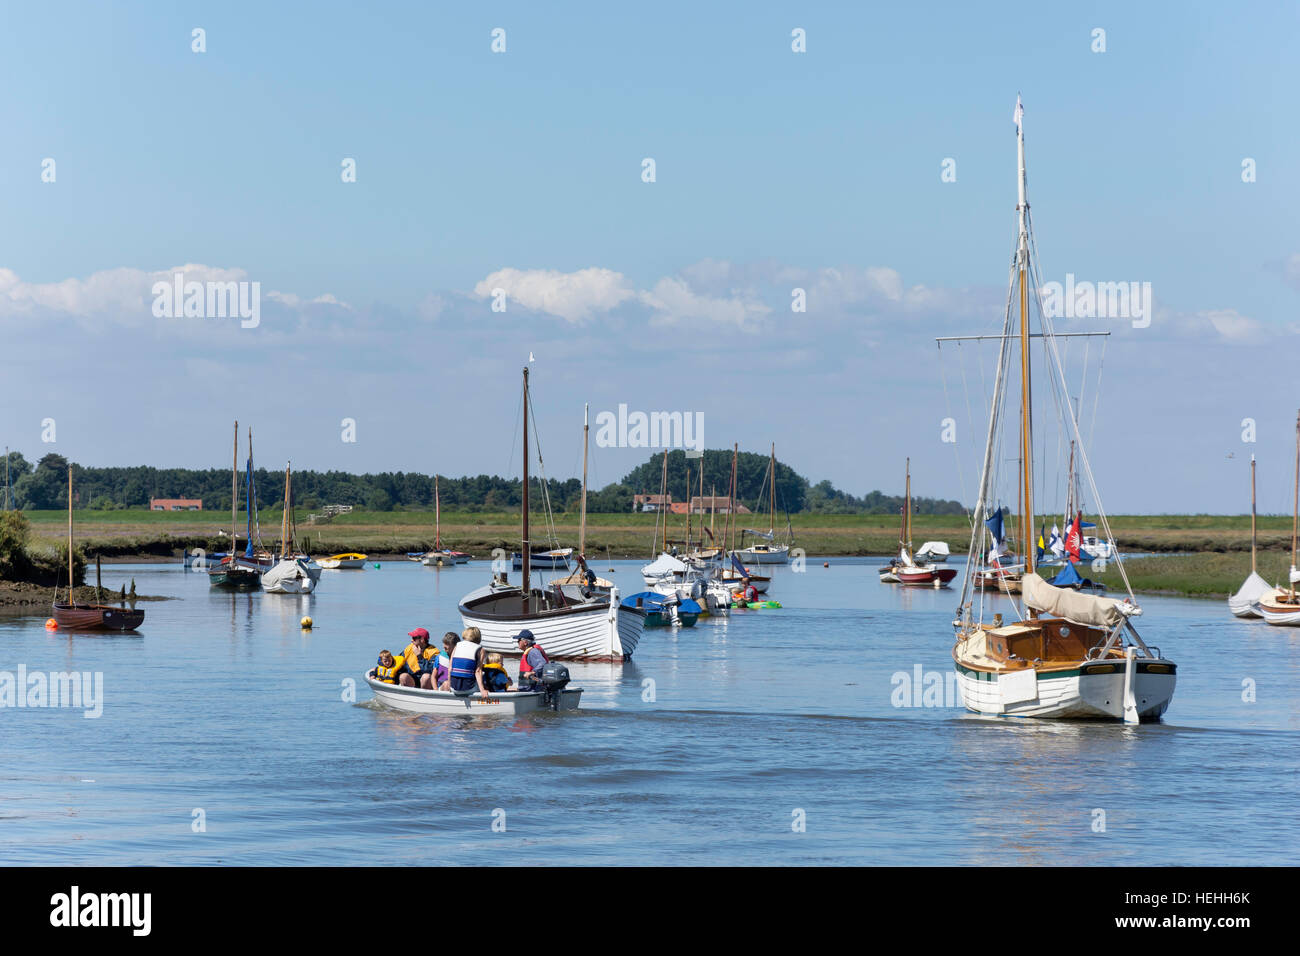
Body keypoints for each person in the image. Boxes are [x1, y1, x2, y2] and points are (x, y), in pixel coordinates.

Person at [448, 626, 487, 695]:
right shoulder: (480, 650)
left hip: (453, 688)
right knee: (484, 674)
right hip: (469, 689)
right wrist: (482, 690)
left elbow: (450, 668)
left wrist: (449, 686)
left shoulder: (457, 645)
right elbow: (478, 671)